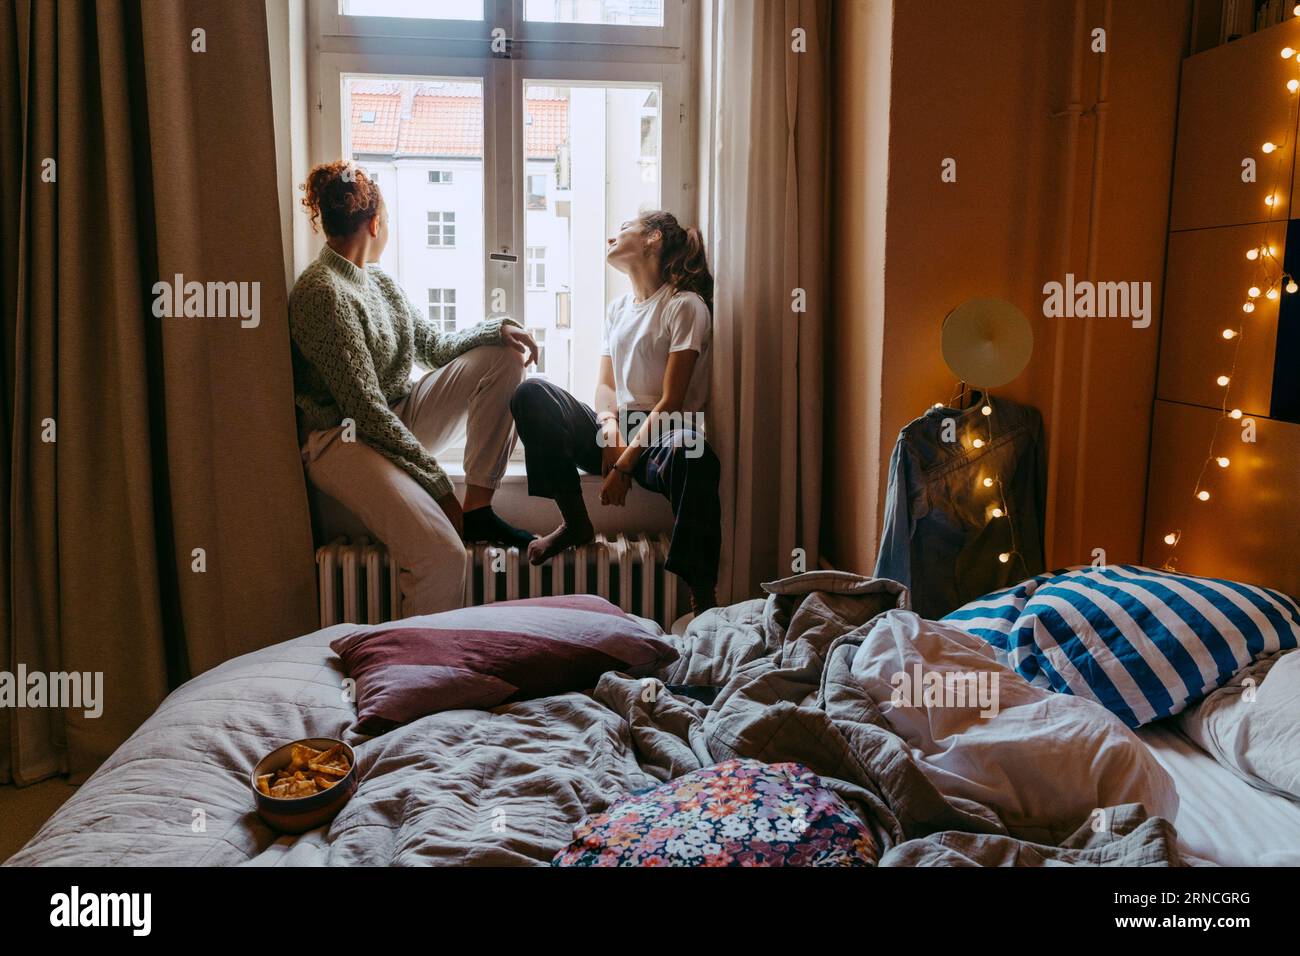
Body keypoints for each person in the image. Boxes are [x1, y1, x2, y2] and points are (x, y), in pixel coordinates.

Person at [289, 160, 536, 615]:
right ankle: (416, 676)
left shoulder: (379, 281)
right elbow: (363, 409)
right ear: (375, 223)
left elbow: (435, 347)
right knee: (443, 558)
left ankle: (479, 508)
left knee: (506, 356)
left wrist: (496, 329)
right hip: (342, 441)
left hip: (396, 418)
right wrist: (438, 483)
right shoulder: (321, 293)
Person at [510, 210, 721, 612]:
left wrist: (625, 464)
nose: (613, 236)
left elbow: (672, 401)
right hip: (619, 426)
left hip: (668, 430)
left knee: (697, 453)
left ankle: (702, 591)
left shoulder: (685, 306)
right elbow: (605, 386)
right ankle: (575, 522)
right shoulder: (618, 308)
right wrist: (608, 430)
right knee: (533, 392)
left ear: (653, 238)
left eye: (624, 228)